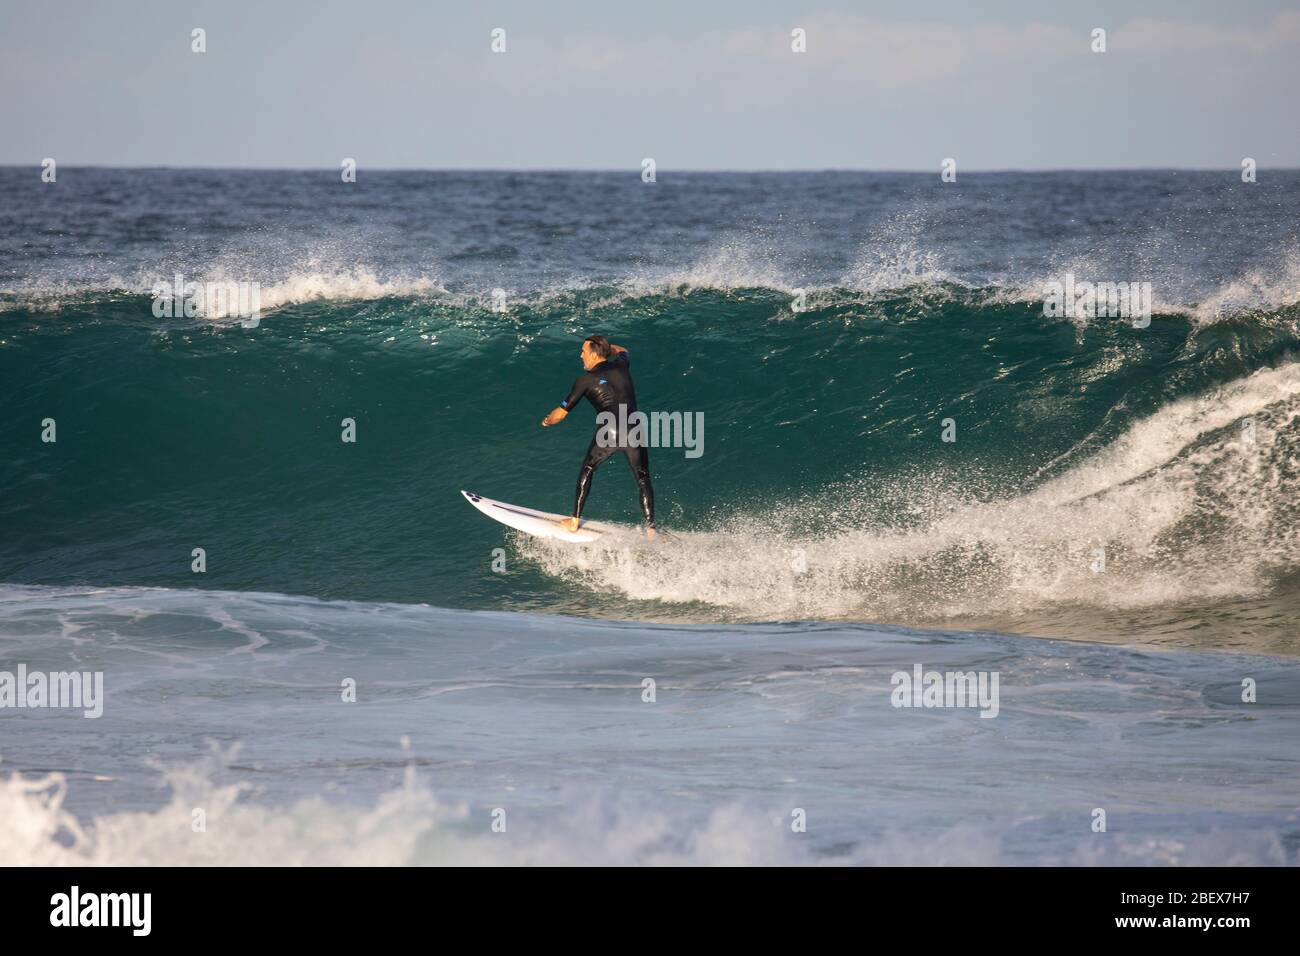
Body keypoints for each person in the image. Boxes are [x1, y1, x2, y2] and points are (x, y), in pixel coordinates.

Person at [541, 335, 656, 539]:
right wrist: (607, 348)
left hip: (609, 432)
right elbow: (623, 350)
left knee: (588, 468)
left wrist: (546, 421)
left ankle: (574, 521)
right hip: (634, 429)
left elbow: (559, 414)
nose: (581, 355)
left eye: (584, 352)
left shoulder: (585, 380)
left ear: (594, 355)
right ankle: (651, 529)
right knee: (643, 478)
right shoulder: (621, 366)